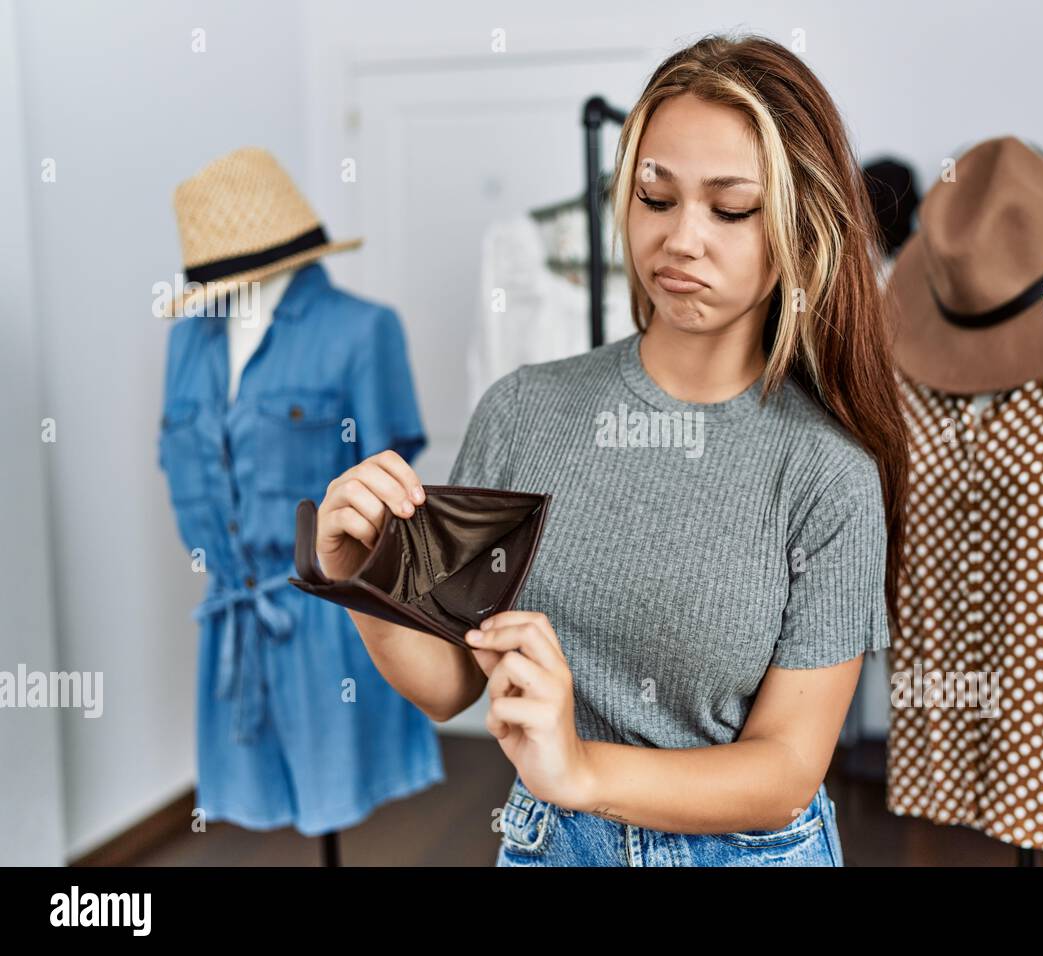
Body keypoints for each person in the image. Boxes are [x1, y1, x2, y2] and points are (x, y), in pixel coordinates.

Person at [311, 33, 910, 866]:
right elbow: (452, 682)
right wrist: (360, 578)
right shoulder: (525, 411)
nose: (682, 239)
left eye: (730, 209)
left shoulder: (825, 471)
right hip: (553, 843)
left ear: (796, 230)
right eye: (655, 197)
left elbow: (786, 768)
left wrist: (581, 768)